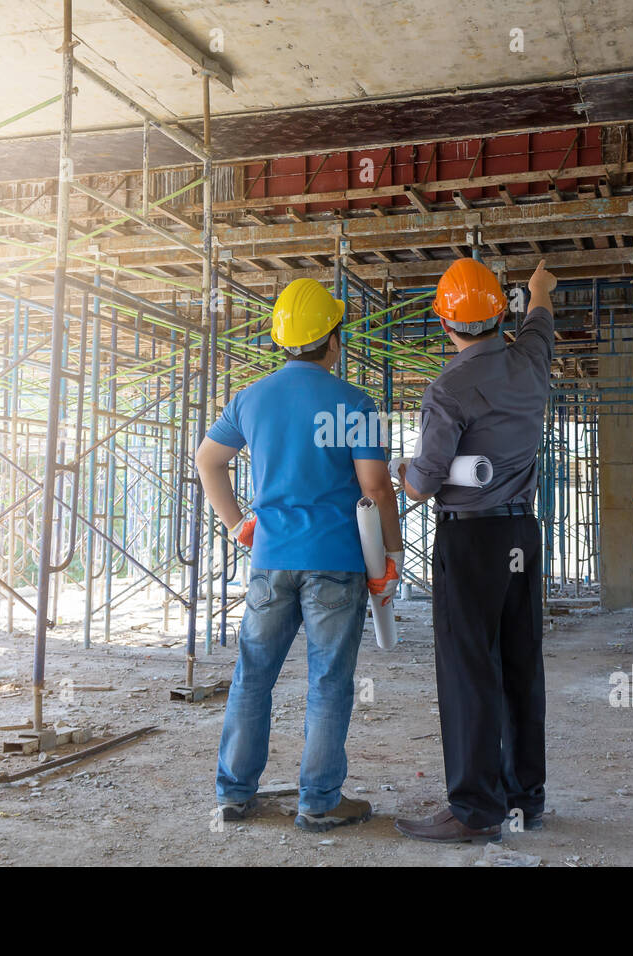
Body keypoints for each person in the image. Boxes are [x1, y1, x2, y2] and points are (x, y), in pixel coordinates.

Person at [195, 277, 403, 833]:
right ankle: (318, 802)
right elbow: (377, 488)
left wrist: (238, 523)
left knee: (252, 676)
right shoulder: (355, 403)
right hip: (335, 562)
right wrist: (391, 551)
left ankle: (235, 795)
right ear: (332, 340)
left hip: (270, 560)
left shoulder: (250, 399)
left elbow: (207, 460)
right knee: (329, 681)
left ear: (282, 341)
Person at [393, 257, 557, 844]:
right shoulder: (532, 360)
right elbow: (541, 314)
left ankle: (475, 810)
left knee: (468, 669)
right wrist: (539, 288)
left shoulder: (448, 390)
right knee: (519, 664)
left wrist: (401, 472)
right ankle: (524, 800)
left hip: (471, 538)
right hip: (522, 534)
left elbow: (425, 482)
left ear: (446, 325)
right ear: (501, 314)